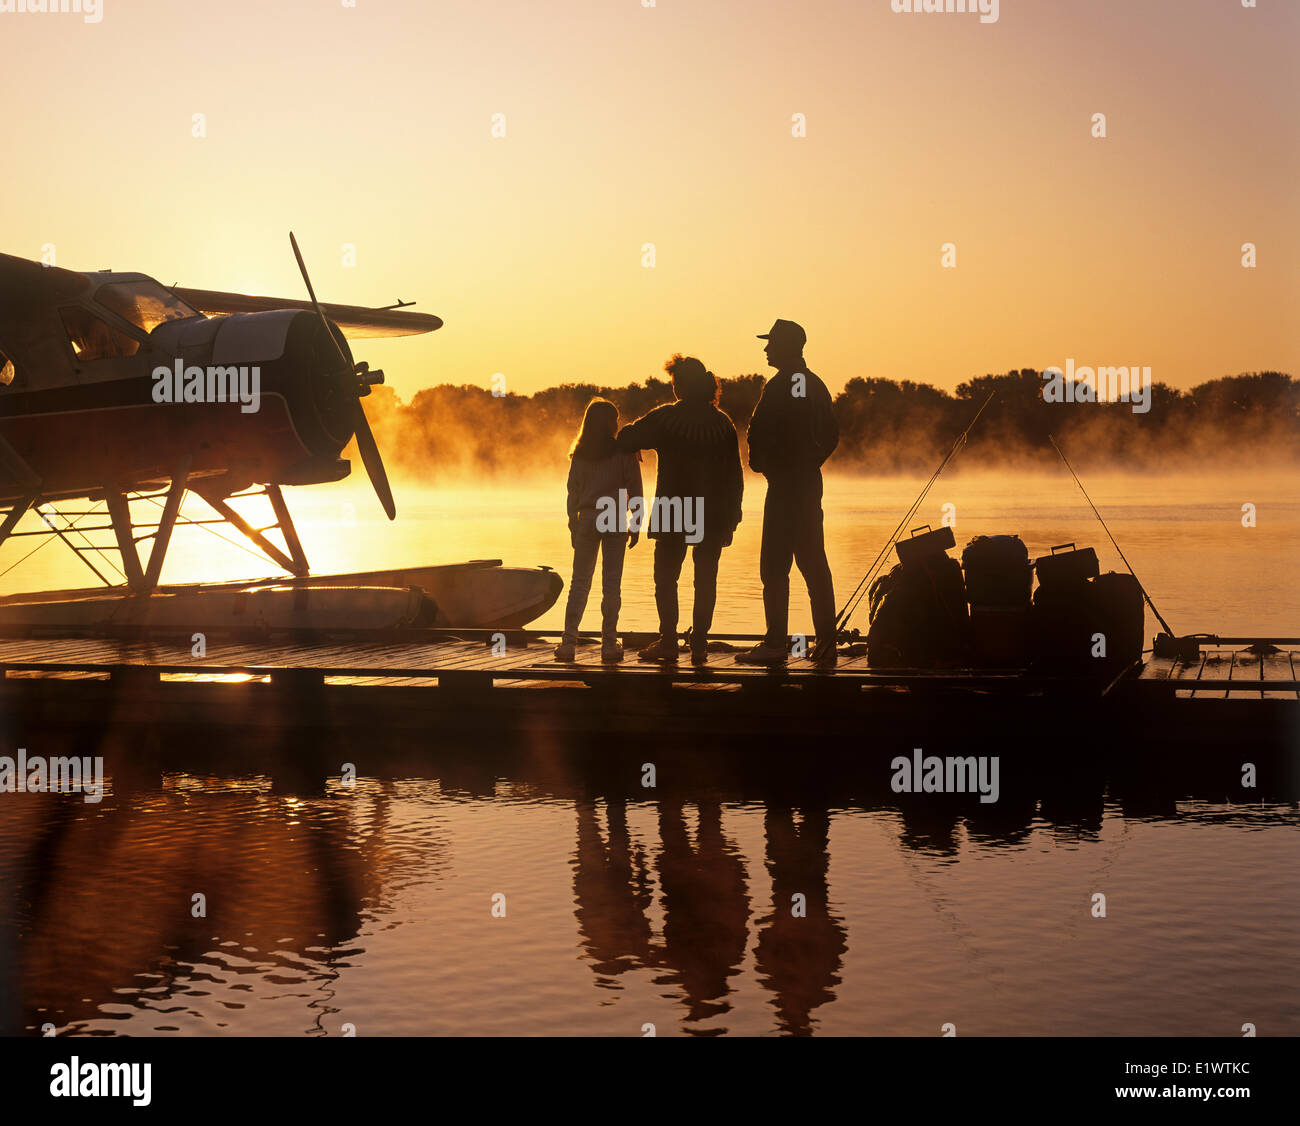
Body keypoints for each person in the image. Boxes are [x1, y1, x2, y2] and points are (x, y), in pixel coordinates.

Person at [616, 355, 743, 666]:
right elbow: (734, 474)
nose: (672, 388)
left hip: (675, 506)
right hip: (714, 511)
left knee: (666, 577)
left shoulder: (667, 420)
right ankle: (699, 645)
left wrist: (636, 447)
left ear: (682, 385)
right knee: (706, 580)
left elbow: (626, 437)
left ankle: (669, 641)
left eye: (674, 382)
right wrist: (733, 515)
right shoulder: (722, 423)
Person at [737, 319, 839, 668]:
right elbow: (830, 435)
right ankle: (826, 643)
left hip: (787, 487)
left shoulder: (789, 383)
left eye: (771, 343)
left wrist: (770, 464)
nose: (766, 349)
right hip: (806, 482)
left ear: (789, 346)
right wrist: (811, 462)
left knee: (775, 567)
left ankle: (776, 643)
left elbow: (773, 427)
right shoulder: (814, 384)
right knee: (814, 563)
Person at [556, 398, 642, 663]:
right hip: (615, 516)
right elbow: (635, 489)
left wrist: (573, 522)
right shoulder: (625, 453)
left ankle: (568, 643)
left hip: (589, 515)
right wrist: (636, 523)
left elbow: (573, 492)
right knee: (611, 584)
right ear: (610, 424)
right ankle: (608, 644)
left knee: (579, 582)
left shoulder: (580, 454)